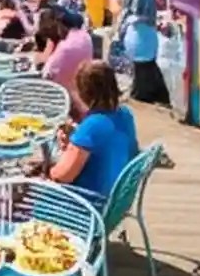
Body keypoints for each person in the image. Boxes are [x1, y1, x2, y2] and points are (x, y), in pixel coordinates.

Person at [45, 61, 139, 197]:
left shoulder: (92, 126)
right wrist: (74, 145)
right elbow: (130, 152)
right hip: (114, 198)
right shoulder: (125, 115)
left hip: (87, 204)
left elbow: (63, 176)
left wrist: (47, 170)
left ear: (85, 93)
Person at [121, 0, 170, 105]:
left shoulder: (133, 13)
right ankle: (144, 97)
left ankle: (140, 94)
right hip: (144, 45)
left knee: (142, 73)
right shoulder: (147, 2)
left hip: (136, 44)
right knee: (146, 73)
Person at [43, 7, 94, 120]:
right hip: (83, 86)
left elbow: (47, 73)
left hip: (66, 96)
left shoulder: (65, 47)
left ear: (60, 25)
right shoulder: (85, 37)